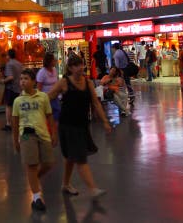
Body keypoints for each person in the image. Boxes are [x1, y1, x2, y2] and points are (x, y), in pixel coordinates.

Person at [47, 55, 111, 199]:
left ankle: (65, 184)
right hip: (68, 126)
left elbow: (95, 103)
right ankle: (93, 189)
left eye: (81, 64)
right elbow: (49, 96)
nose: (80, 68)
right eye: (76, 65)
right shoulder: (64, 82)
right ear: (70, 68)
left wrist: (105, 121)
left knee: (71, 157)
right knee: (80, 157)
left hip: (82, 125)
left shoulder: (88, 82)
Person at [12, 68, 57, 212]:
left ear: (33, 81)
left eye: (26, 79)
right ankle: (37, 197)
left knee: (49, 163)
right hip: (26, 135)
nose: (22, 81)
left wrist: (54, 133)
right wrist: (15, 140)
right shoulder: (18, 101)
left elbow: (49, 115)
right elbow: (15, 122)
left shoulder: (43, 97)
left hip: (43, 134)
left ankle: (33, 179)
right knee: (31, 164)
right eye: (21, 79)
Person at [1, 48, 23, 131]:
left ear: (8, 56)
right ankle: (19, 123)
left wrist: (3, 81)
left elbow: (10, 77)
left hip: (11, 88)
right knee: (17, 106)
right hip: (19, 88)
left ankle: (8, 124)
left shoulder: (9, 64)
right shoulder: (19, 64)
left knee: (8, 106)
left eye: (7, 55)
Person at [36, 52, 60, 121]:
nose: (55, 61)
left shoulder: (54, 70)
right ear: (49, 61)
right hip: (46, 99)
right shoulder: (42, 72)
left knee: (57, 114)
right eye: (54, 60)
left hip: (55, 97)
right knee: (48, 116)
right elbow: (39, 88)